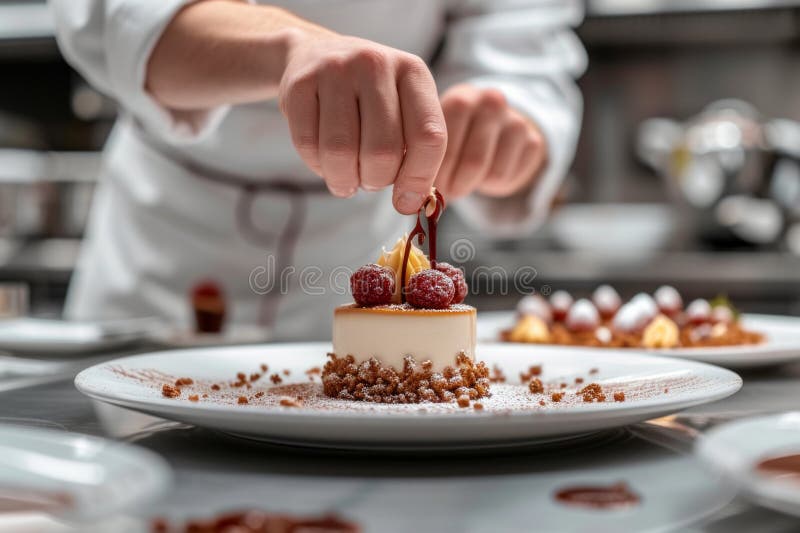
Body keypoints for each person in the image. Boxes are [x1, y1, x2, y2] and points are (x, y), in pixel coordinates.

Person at [50, 0, 586, 340]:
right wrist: (292, 47)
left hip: (358, 231)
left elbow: (519, 45)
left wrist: (508, 122)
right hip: (162, 238)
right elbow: (115, 16)